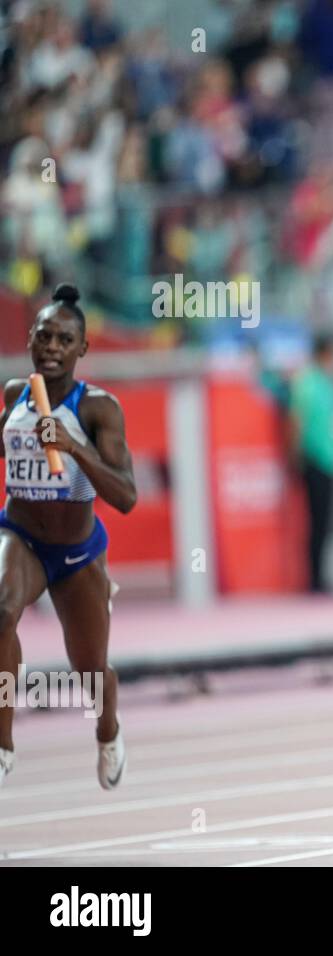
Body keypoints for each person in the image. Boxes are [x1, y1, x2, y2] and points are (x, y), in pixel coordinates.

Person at [0, 283, 137, 789]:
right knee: (0, 608)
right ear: (31, 340)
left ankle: (108, 731)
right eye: (43, 336)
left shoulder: (99, 408)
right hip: (20, 534)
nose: (52, 347)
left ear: (83, 348)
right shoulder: (17, 394)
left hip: (77, 552)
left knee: (89, 669)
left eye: (63, 339)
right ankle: (2, 745)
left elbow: (125, 496)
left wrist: (74, 448)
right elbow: (6, 441)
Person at [289, 331, 333, 593]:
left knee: (326, 522)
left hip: (331, 460)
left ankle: (321, 575)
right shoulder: (308, 383)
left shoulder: (326, 382)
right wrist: (296, 455)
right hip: (314, 459)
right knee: (316, 521)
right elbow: (297, 421)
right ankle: (315, 579)